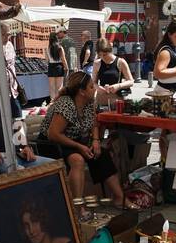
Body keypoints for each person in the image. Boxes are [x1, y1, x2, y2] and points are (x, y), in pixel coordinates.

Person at [0, 20, 52, 175]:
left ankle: (20, 147)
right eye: (5, 34)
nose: (8, 37)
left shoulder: (11, 46)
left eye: (9, 34)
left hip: (13, 92)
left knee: (17, 120)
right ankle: (3, 154)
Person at [40, 71, 124, 205]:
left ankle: (120, 198)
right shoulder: (66, 104)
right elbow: (53, 134)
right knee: (77, 160)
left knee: (101, 153)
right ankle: (78, 207)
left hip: (74, 140)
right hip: (53, 144)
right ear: (82, 92)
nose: (94, 89)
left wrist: (96, 141)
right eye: (91, 87)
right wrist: (79, 147)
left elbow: (93, 124)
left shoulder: (89, 102)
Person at [93, 38, 135, 108]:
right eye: (100, 55)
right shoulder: (97, 63)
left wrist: (118, 86)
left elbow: (131, 81)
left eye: (105, 54)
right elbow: (93, 83)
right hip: (101, 101)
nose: (103, 57)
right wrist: (99, 88)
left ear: (110, 50)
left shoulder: (121, 62)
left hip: (116, 102)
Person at [152, 19, 176, 92]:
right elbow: (157, 73)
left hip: (174, 95)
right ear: (169, 35)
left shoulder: (175, 48)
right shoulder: (166, 52)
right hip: (166, 96)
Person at [47, 31, 68, 100]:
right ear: (57, 38)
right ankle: (59, 102)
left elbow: (47, 59)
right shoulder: (60, 48)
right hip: (59, 67)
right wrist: (66, 68)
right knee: (59, 87)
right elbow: (63, 59)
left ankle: (52, 102)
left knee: (52, 87)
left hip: (50, 66)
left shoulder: (47, 48)